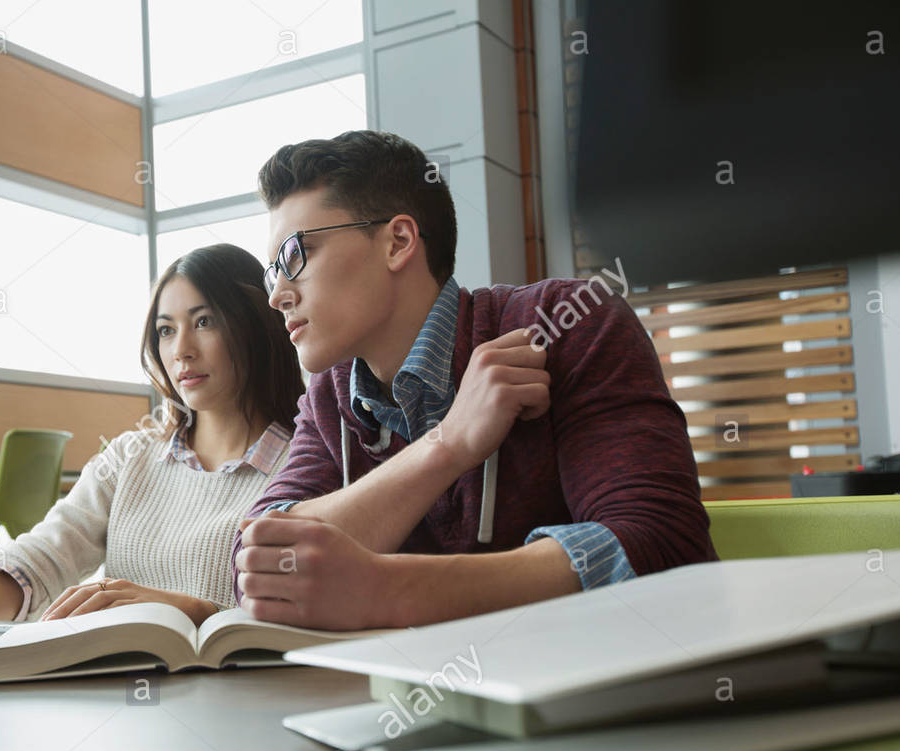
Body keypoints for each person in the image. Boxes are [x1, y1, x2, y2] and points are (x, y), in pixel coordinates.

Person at [232, 130, 718, 631]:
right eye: (273, 273)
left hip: (608, 692)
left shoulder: (568, 322)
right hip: (409, 699)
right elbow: (255, 567)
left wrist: (391, 590)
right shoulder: (330, 396)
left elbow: (660, 546)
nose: (277, 296)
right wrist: (446, 446)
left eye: (294, 256)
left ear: (398, 242)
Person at [0, 244, 304, 626]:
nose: (181, 350)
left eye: (204, 321)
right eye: (164, 330)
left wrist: (194, 610)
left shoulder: (307, 461)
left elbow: (308, 614)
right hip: (121, 700)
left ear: (254, 326)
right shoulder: (130, 458)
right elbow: (26, 572)